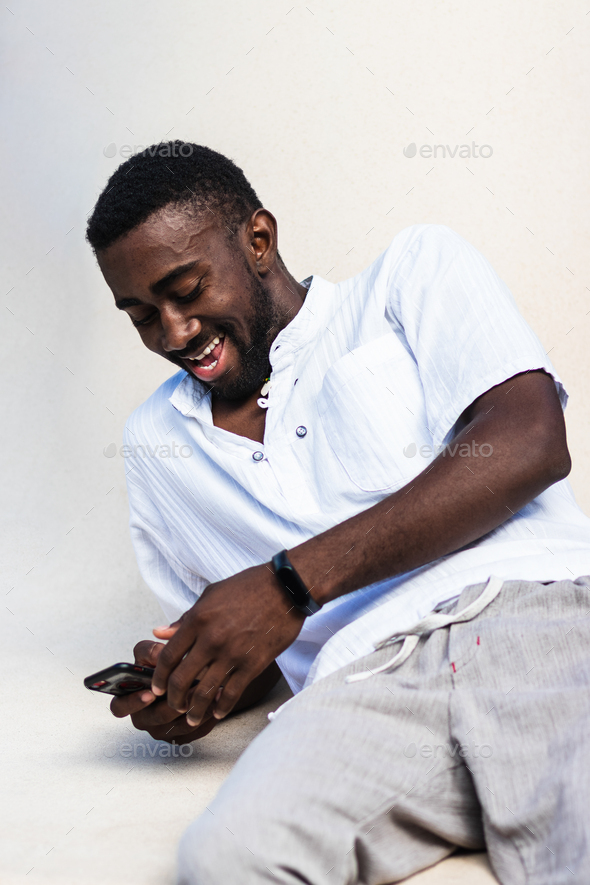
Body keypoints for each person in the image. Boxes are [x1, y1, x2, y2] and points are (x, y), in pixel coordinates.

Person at [86, 141, 590, 884]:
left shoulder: (409, 274)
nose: (174, 332)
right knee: (226, 860)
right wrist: (198, 684)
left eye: (187, 290)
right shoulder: (155, 443)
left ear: (259, 241)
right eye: (140, 316)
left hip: (532, 616)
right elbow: (255, 642)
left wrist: (289, 582)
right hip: (357, 686)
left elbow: (530, 441)